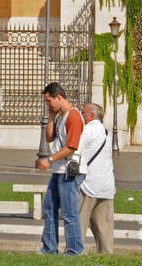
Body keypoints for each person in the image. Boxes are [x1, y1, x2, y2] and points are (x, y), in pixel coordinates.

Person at [35, 82, 84, 255]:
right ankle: (49, 248)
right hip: (59, 170)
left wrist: (49, 159)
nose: (48, 104)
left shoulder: (73, 116)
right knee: (49, 208)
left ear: (59, 97)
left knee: (69, 213)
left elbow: (71, 146)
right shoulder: (60, 116)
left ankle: (75, 250)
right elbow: (49, 138)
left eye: (49, 101)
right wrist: (50, 115)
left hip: (69, 170)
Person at [78, 103, 116, 253]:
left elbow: (75, 149)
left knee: (79, 222)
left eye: (84, 113)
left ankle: (75, 251)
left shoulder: (87, 130)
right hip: (106, 185)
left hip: (88, 184)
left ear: (91, 115)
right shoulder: (107, 133)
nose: (81, 115)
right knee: (104, 226)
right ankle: (106, 254)